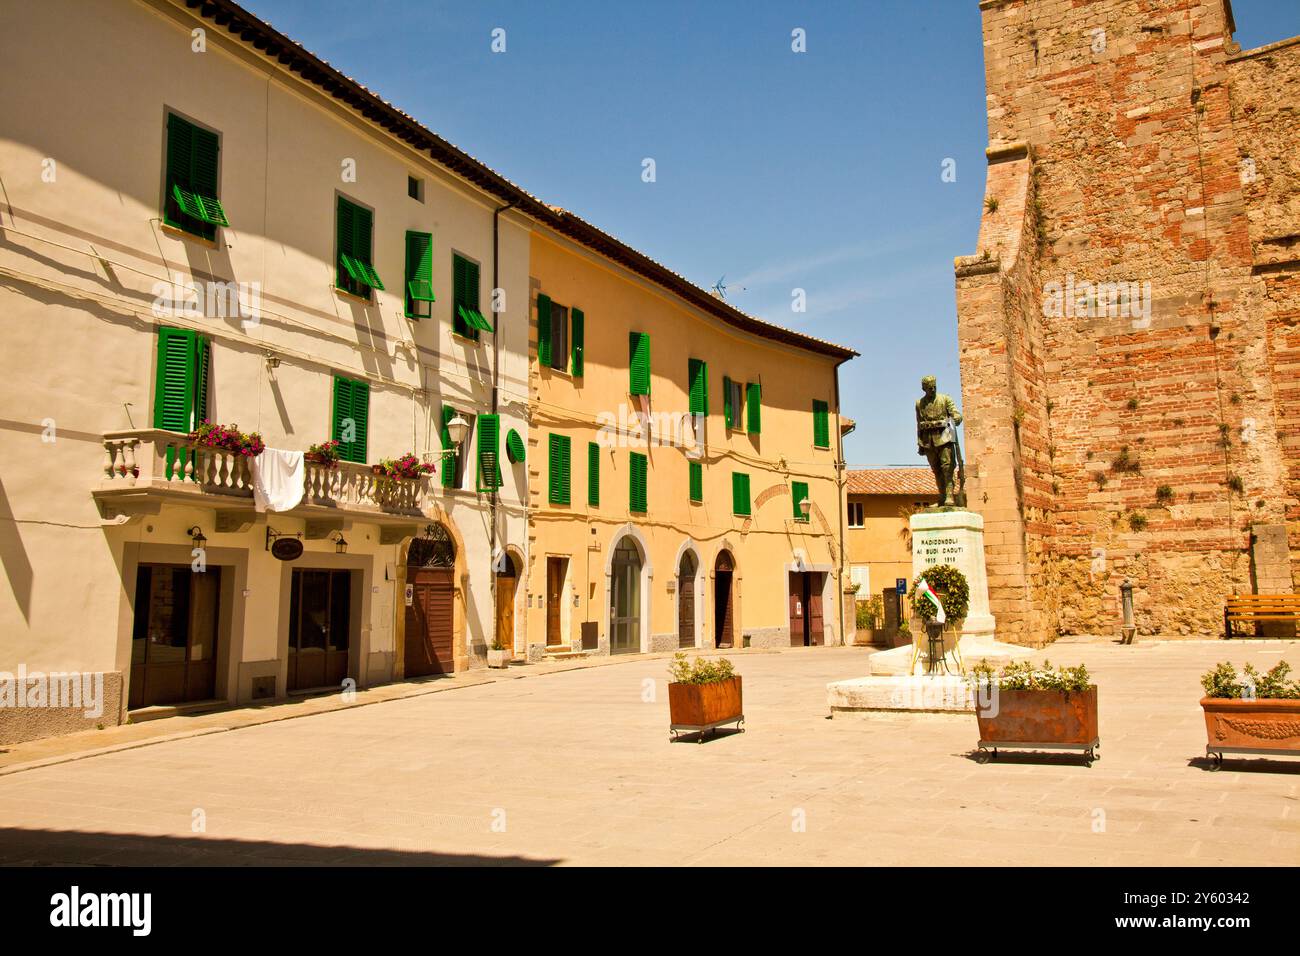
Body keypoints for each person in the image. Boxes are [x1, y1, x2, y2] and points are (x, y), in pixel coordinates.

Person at [915, 375, 964, 507]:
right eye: (929, 388)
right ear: (924, 388)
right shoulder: (919, 404)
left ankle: (949, 496)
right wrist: (920, 443)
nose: (932, 389)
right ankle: (942, 496)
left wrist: (956, 417)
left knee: (947, 467)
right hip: (928, 440)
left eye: (934, 387)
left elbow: (956, 413)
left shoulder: (945, 399)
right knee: (936, 469)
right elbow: (918, 424)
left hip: (945, 436)